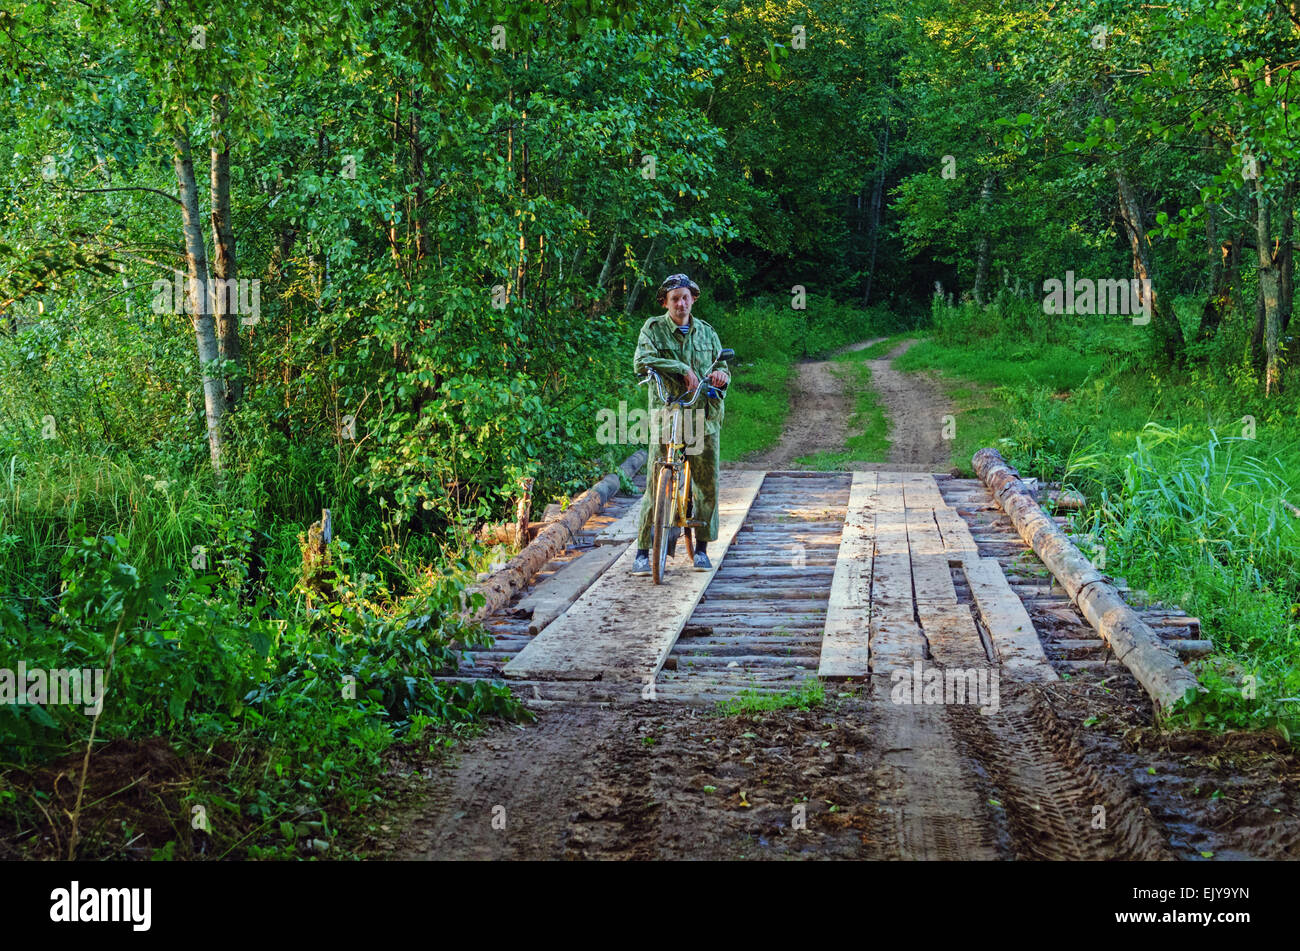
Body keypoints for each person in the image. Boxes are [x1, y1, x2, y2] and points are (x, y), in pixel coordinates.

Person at [630, 273, 730, 575]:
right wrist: (681, 367)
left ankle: (701, 549)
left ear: (693, 299)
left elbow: (721, 364)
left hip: (701, 414)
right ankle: (642, 552)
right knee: (654, 481)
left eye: (686, 297)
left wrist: (721, 376)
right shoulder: (653, 329)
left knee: (706, 483)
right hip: (667, 413)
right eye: (675, 298)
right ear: (665, 302)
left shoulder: (707, 333)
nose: (681, 303)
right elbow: (641, 361)